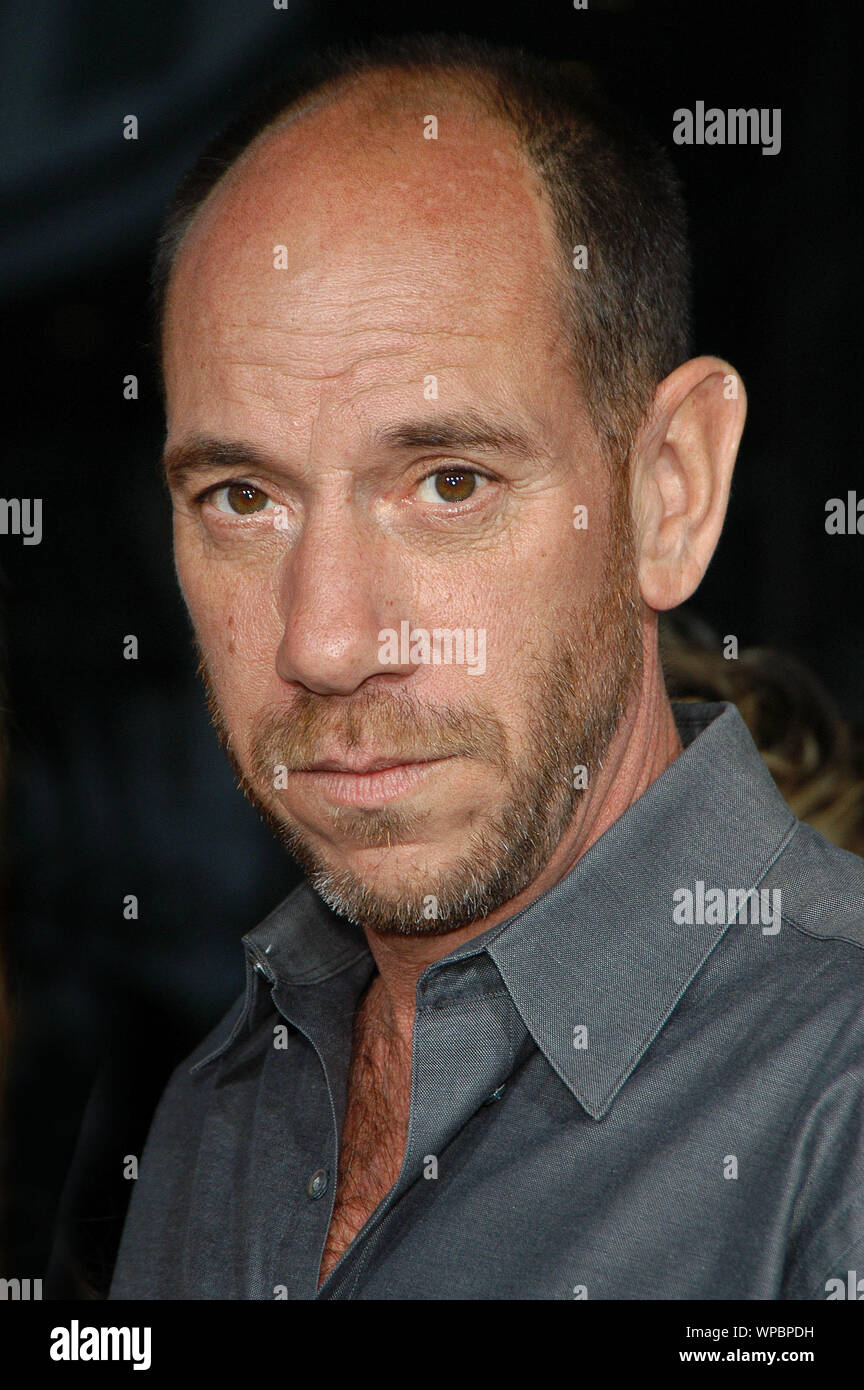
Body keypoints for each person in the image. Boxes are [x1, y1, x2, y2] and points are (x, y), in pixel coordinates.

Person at [109, 32, 864, 1300]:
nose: (326, 641)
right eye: (243, 497)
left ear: (670, 493)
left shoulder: (836, 1106)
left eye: (451, 482)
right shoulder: (219, 1102)